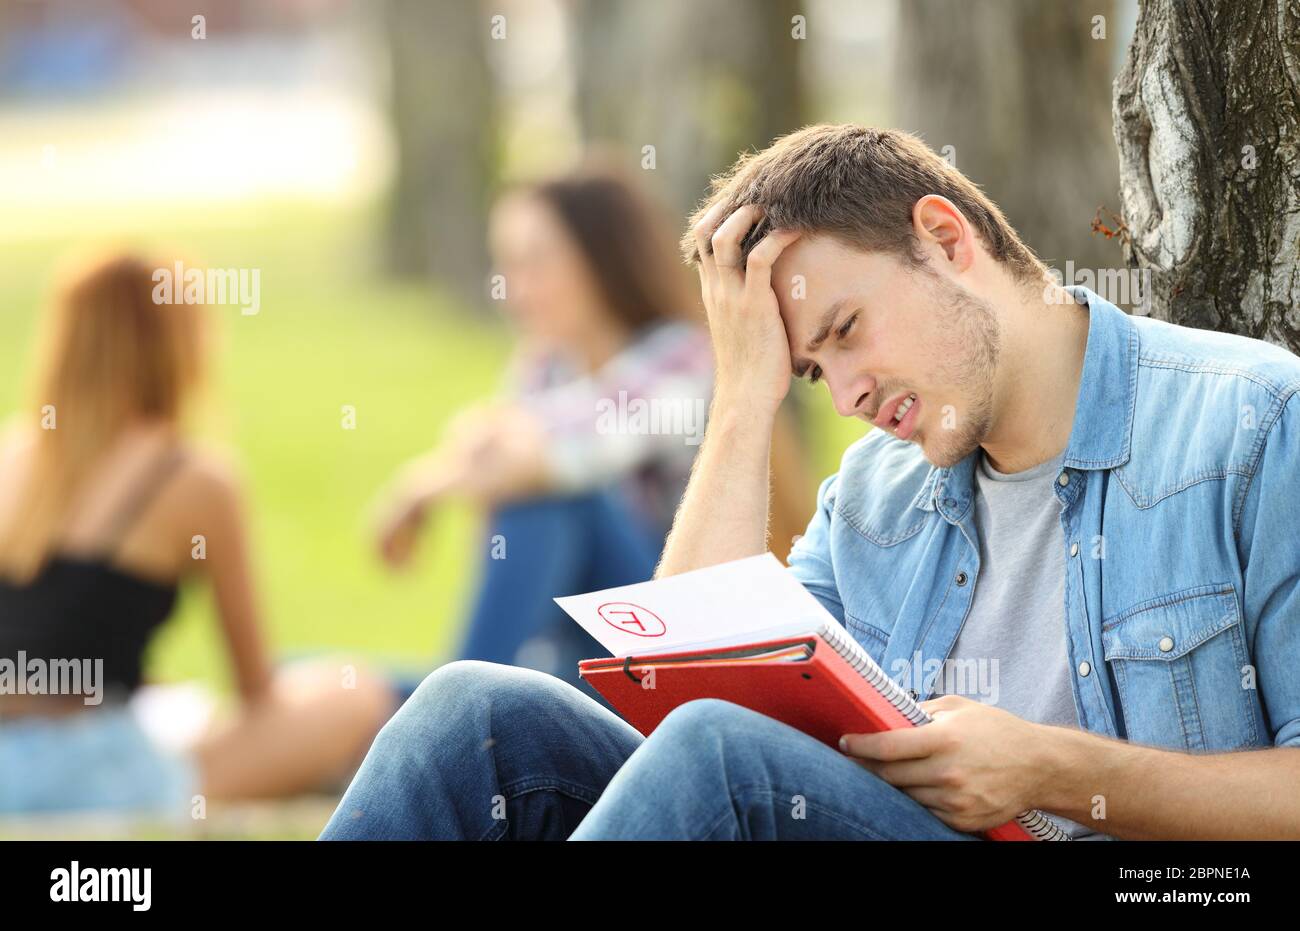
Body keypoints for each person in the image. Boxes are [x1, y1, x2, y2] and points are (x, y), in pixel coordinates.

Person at [321, 122, 1300, 842]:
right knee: (475, 713)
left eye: (842, 333)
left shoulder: (1252, 422)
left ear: (946, 239)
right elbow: (678, 684)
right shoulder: (877, 492)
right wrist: (744, 392)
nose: (847, 395)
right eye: (811, 373)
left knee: (719, 756)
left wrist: (1053, 770)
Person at [371, 161, 799, 699]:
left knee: (555, 497)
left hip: (679, 643)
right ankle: (445, 705)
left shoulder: (688, 357)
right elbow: (503, 459)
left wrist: (424, 485)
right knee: (337, 691)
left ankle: (452, 708)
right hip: (578, 650)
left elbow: (559, 457)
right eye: (505, 265)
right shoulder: (544, 371)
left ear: (601, 259)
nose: (513, 289)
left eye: (534, 263)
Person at [0, 252, 397, 817]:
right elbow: (255, 688)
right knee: (355, 695)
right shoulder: (192, 477)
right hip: (87, 770)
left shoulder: (13, 456)